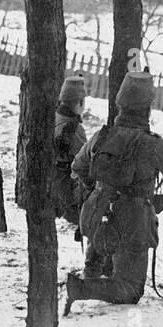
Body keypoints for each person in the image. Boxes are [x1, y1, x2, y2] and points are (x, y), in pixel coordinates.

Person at [63, 70, 163, 311]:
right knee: (131, 289)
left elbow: (78, 167)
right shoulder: (151, 143)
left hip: (95, 214)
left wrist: (100, 191)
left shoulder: (101, 136)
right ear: (147, 108)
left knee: (102, 227)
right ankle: (83, 288)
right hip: (132, 221)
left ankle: (91, 270)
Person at [52, 71, 111, 279]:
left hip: (54, 183)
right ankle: (94, 267)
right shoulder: (73, 128)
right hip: (67, 188)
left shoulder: (55, 118)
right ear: (79, 102)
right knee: (101, 208)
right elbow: (82, 165)